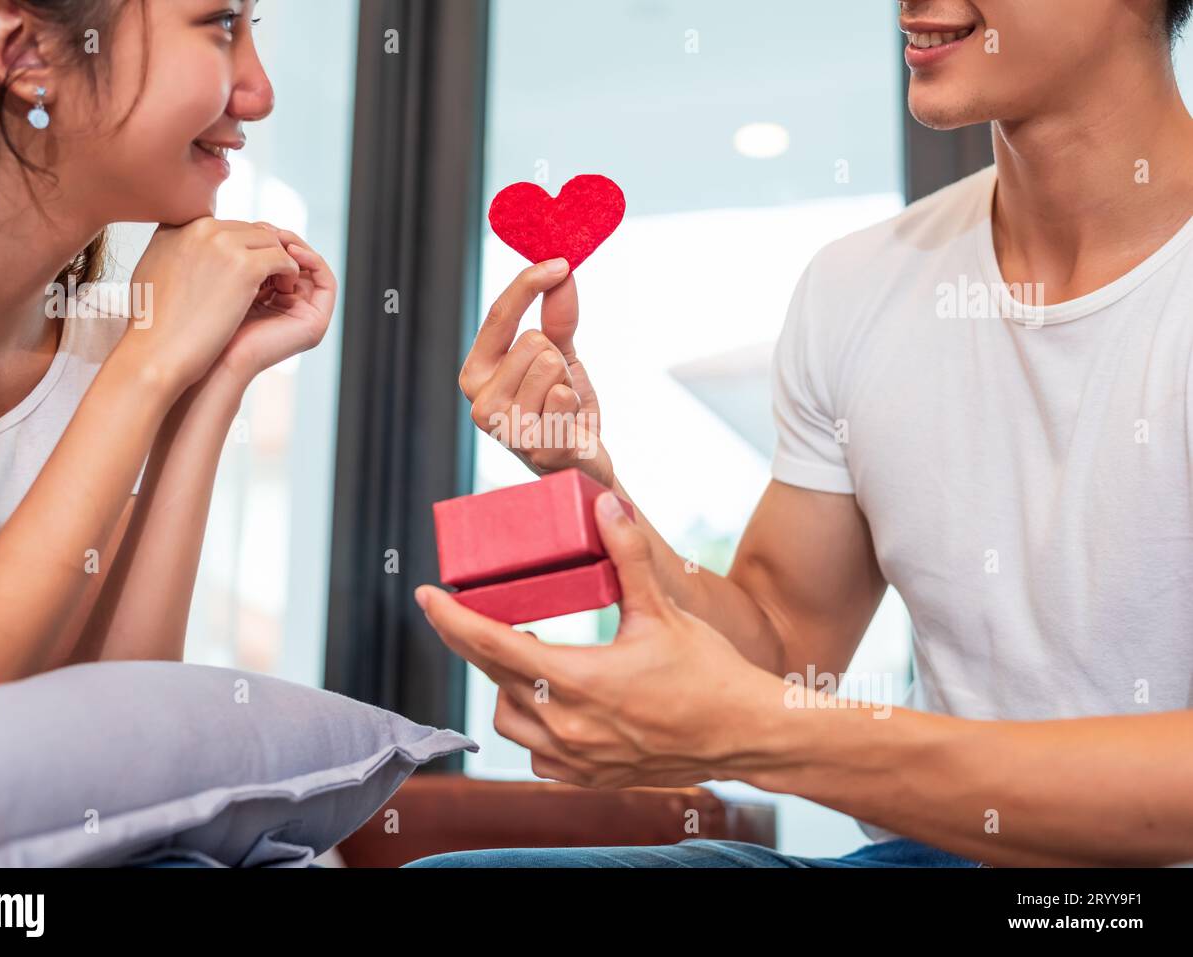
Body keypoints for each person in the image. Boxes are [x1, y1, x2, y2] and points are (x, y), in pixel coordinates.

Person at [408, 0, 1193, 867]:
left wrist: (763, 732)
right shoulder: (861, 284)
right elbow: (778, 646)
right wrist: (589, 480)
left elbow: (765, 707)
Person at [0, 0, 336, 682]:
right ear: (23, 50)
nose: (261, 93)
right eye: (221, 25)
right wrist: (147, 368)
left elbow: (123, 715)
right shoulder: (132, 364)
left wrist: (210, 377)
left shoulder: (117, 352)